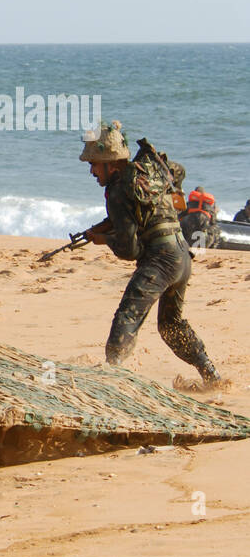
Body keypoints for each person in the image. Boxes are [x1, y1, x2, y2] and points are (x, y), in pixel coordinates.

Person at [80, 121, 219, 383]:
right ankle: (210, 374)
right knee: (171, 326)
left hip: (160, 262)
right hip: (182, 257)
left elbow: (130, 250)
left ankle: (113, 375)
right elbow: (178, 172)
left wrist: (104, 239)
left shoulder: (118, 191)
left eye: (94, 164)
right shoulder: (146, 172)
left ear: (111, 163)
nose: (92, 171)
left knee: (127, 316)